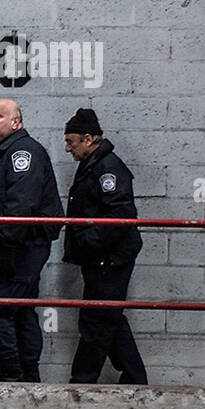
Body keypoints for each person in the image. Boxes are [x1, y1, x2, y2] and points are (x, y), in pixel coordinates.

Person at [0, 98, 63, 382]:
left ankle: (12, 373)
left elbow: (20, 205)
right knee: (21, 311)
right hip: (17, 245)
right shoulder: (7, 152)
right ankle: (27, 375)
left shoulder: (22, 152)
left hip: (20, 247)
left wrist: (5, 247)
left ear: (16, 122)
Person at [63, 107, 147, 384]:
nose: (67, 149)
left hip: (110, 259)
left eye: (71, 142)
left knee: (96, 321)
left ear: (88, 139)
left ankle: (82, 383)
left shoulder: (107, 168)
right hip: (100, 258)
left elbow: (121, 216)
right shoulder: (94, 165)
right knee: (109, 318)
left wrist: (88, 243)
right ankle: (135, 380)